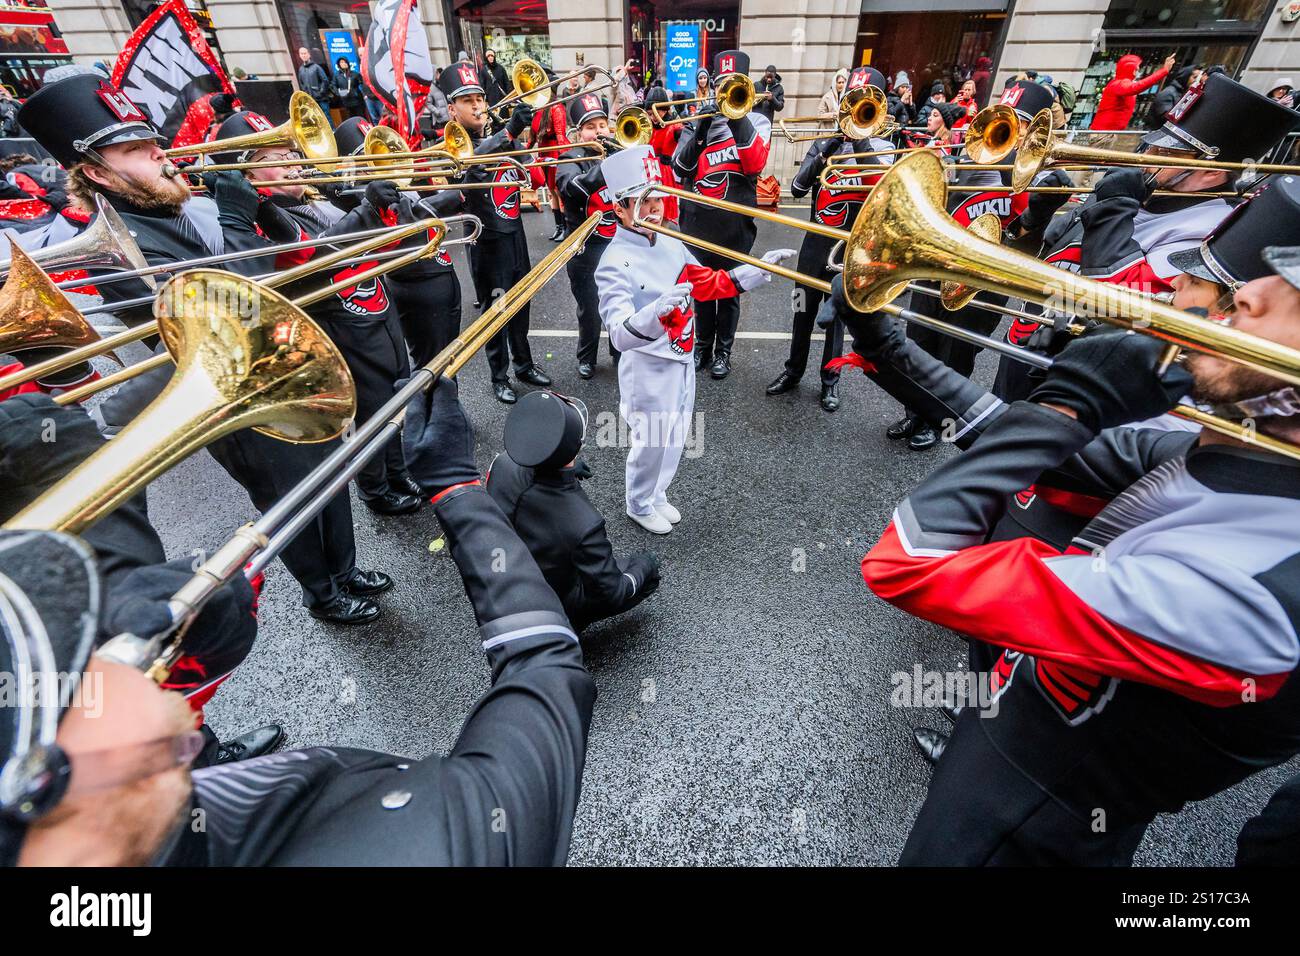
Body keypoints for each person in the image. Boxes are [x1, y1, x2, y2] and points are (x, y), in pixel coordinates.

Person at [819, 222, 1300, 862]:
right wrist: (885, 344)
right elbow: (1005, 433)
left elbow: (908, 565)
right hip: (1008, 745)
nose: (1248, 294)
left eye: (1294, 290)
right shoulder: (1239, 459)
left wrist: (1069, 406)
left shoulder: (1258, 593)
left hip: (1021, 837)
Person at [3, 376, 600, 867]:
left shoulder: (105, 834)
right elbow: (546, 666)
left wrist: (189, 676)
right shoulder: (427, 848)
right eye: (77, 672)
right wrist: (456, 491)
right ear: (41, 790)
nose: (107, 654)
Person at [995, 72, 1300, 403]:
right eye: (1154, 144)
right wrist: (1037, 217)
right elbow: (1045, 255)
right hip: (1027, 335)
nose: (1147, 156)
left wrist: (1113, 208)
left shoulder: (1213, 227)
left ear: (1211, 173)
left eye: (1168, 153)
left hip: (1070, 376)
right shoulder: (1140, 192)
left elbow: (1120, 299)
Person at [596, 144, 792, 533]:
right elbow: (618, 335)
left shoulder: (670, 240)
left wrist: (755, 270)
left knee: (675, 434)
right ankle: (638, 502)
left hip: (682, 357)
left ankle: (658, 493)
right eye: (644, 202)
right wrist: (656, 312)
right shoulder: (613, 262)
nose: (655, 210)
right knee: (650, 441)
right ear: (619, 208)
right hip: (648, 365)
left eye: (658, 200)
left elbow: (707, 283)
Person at [767, 66, 894, 414]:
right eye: (850, 101)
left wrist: (860, 140)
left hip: (851, 249)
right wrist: (828, 149)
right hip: (816, 243)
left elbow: (880, 195)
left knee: (835, 319)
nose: (853, 110)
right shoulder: (825, 143)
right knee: (801, 310)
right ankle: (792, 371)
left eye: (863, 104)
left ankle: (830, 382)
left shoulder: (883, 149)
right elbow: (797, 187)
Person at [486, 390, 661, 631]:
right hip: (546, 601)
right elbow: (613, 592)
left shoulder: (501, 464)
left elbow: (527, 478)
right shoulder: (584, 523)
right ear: (575, 449)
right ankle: (565, 631)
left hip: (502, 576)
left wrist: (565, 468)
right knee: (644, 574)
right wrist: (644, 567)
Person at [437, 60, 551, 404]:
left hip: (514, 233)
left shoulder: (497, 135)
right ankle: (499, 375)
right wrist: (507, 134)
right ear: (451, 109)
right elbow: (464, 171)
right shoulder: (449, 146)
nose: (477, 106)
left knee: (521, 306)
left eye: (480, 98)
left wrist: (517, 139)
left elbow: (534, 176)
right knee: (494, 312)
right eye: (467, 100)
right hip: (485, 241)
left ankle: (524, 364)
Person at [331, 116, 465, 370]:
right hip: (416, 289)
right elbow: (406, 224)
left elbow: (428, 206)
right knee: (430, 368)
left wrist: (429, 178)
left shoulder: (397, 181)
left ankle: (446, 405)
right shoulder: (358, 197)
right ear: (354, 163)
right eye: (370, 154)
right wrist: (451, 197)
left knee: (449, 363)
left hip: (442, 276)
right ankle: (433, 410)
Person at [672, 50, 774, 380]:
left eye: (733, 85)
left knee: (729, 290)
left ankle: (723, 352)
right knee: (702, 289)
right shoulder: (695, 121)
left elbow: (754, 164)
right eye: (721, 85)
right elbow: (680, 167)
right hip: (697, 221)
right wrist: (700, 130)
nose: (726, 91)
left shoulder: (757, 120)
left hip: (735, 225)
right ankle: (701, 346)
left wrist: (736, 115)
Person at [556, 93, 618, 379]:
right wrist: (606, 168)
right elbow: (572, 189)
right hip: (585, 250)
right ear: (579, 133)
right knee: (589, 308)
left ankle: (620, 352)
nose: (599, 131)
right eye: (591, 126)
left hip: (617, 246)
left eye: (602, 124)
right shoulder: (569, 158)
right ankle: (587, 357)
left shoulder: (617, 154)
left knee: (618, 304)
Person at [1090, 53, 1174, 131]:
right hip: (1105, 132)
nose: (1138, 70)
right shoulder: (1119, 84)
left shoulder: (1119, 83)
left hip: (1109, 131)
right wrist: (1163, 71)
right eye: (1136, 68)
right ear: (1130, 68)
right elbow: (1137, 87)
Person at [1145, 64, 1200, 130]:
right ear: (1185, 77)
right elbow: (1168, 119)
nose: (1196, 81)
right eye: (1194, 77)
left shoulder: (1181, 92)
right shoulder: (1168, 93)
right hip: (1155, 134)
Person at [296, 47, 332, 121]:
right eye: (302, 54)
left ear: (309, 54)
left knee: (326, 118)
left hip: (321, 99)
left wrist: (320, 93)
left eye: (305, 53)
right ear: (299, 55)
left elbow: (325, 81)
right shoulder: (301, 69)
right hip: (310, 100)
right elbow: (301, 84)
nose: (304, 55)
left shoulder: (316, 67)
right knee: (316, 120)